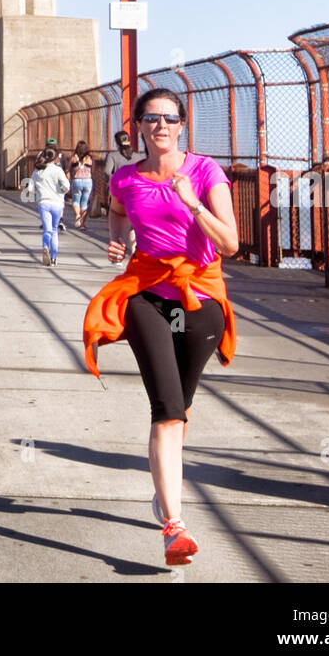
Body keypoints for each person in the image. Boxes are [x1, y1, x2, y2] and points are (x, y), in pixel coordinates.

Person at [83, 89, 238, 567]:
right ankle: (175, 525)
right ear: (138, 127)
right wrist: (117, 241)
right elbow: (114, 212)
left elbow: (230, 243)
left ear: (182, 125)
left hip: (200, 298)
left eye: (170, 118)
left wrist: (193, 204)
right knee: (167, 408)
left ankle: (164, 489)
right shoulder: (126, 177)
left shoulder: (206, 172)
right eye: (151, 118)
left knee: (182, 408)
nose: (161, 126)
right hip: (147, 293)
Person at [31, 147, 70, 267]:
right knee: (54, 230)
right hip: (57, 203)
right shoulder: (57, 170)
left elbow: (30, 189)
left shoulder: (37, 171)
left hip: (44, 202)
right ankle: (53, 258)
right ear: (55, 157)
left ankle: (45, 247)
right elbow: (66, 186)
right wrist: (61, 192)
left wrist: (38, 193)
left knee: (47, 229)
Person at [45, 137, 70, 232]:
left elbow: (37, 167)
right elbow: (66, 169)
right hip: (59, 182)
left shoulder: (43, 154)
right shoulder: (61, 155)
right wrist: (67, 182)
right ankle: (59, 219)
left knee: (47, 200)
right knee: (60, 201)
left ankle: (49, 220)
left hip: (47, 182)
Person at [68, 140, 94, 229]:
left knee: (75, 200)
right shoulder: (90, 158)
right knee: (84, 202)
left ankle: (77, 215)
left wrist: (69, 179)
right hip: (88, 181)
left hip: (76, 181)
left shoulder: (73, 158)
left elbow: (68, 169)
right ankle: (82, 224)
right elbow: (93, 170)